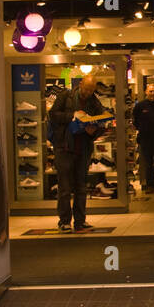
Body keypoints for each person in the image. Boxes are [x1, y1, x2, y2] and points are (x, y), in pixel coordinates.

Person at [49, 74, 111, 232]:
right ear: (80, 84)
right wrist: (72, 117)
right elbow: (53, 115)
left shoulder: (93, 101)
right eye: (86, 89)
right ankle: (64, 221)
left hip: (83, 148)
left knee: (81, 186)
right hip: (64, 147)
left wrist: (94, 130)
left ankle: (80, 221)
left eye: (91, 90)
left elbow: (102, 120)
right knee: (64, 186)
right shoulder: (66, 96)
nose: (87, 92)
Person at [132, 83, 154, 191]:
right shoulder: (140, 106)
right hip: (145, 138)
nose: (152, 93)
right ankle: (150, 185)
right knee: (148, 163)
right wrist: (141, 128)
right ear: (146, 92)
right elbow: (135, 120)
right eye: (150, 91)